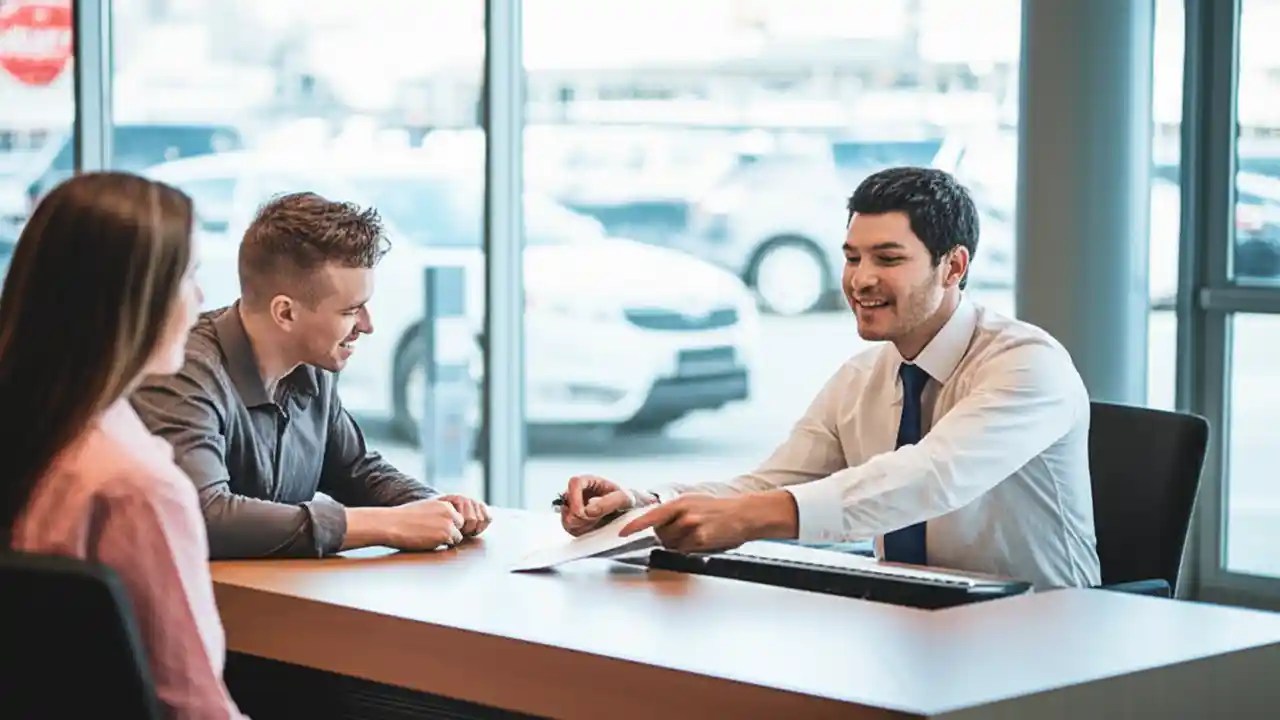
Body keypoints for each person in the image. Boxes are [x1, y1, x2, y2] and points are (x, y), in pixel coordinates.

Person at [559, 166, 1100, 590]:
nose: (861, 280)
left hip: (1044, 631)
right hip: (913, 621)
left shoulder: (1029, 364)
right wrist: (644, 503)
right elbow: (771, 485)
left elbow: (929, 477)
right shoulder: (864, 376)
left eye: (888, 258)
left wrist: (747, 519)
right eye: (851, 257)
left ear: (953, 267)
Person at [3, 172, 245, 717]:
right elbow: (196, 707)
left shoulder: (43, 443)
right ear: (135, 299)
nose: (201, 298)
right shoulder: (137, 489)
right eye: (189, 276)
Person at [132, 191, 489, 559]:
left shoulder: (312, 365)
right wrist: (386, 525)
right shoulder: (185, 372)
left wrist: (434, 507)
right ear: (285, 313)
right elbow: (204, 516)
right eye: (351, 311)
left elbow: (354, 469)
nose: (367, 326)